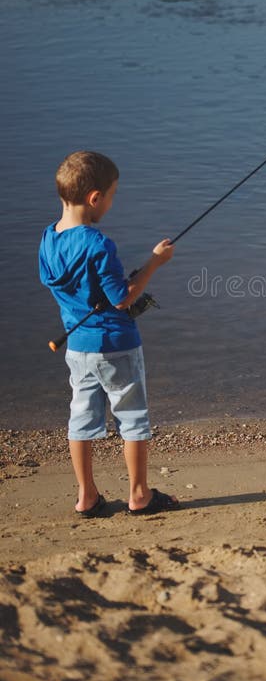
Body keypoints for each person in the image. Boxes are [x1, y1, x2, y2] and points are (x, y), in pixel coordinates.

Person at [39, 150, 179, 516]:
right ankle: (139, 495)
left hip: (77, 347)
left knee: (81, 418)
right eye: (113, 195)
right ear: (94, 198)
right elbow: (122, 298)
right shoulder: (98, 244)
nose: (112, 203)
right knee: (132, 418)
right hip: (116, 345)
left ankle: (86, 496)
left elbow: (63, 285)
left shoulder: (48, 239)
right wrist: (154, 262)